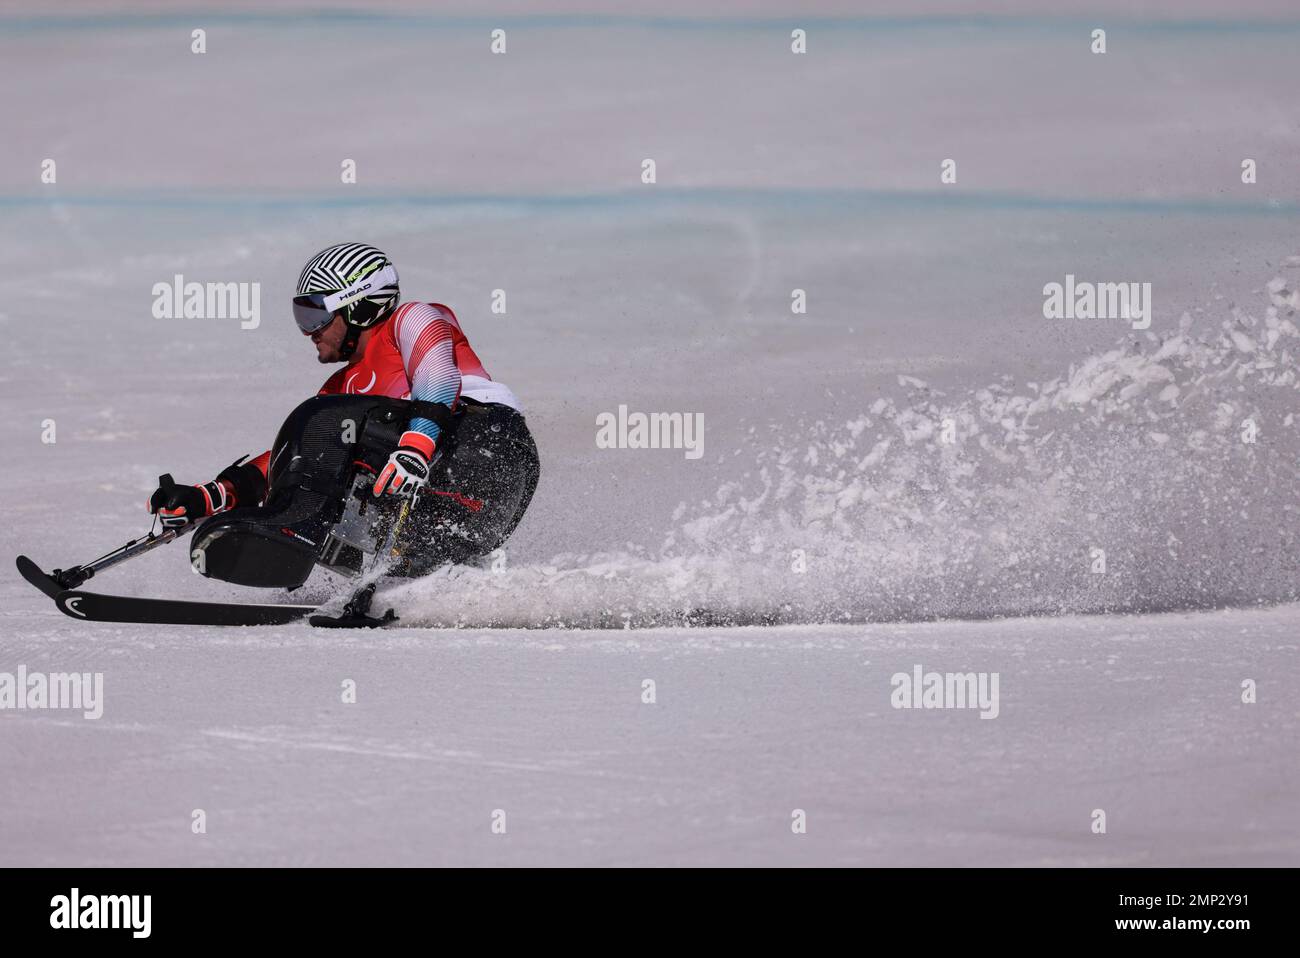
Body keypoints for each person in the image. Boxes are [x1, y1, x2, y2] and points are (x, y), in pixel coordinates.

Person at [147, 242, 539, 580]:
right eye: (301, 318)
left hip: (483, 448)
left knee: (319, 421)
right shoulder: (342, 389)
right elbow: (294, 460)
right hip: (462, 516)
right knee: (319, 449)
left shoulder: (411, 319)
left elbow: (438, 378)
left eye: (315, 315)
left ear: (360, 307)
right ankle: (407, 580)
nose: (309, 332)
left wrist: (415, 450)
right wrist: (213, 496)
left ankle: (291, 536)